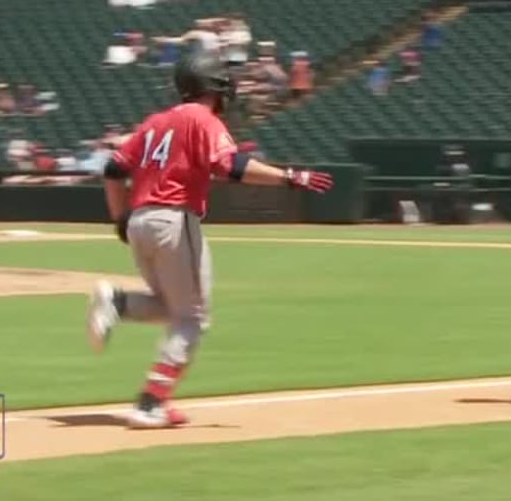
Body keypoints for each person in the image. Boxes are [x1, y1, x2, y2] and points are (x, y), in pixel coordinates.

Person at [85, 52, 336, 429]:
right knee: (193, 318)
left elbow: (113, 169)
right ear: (214, 85)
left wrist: (120, 216)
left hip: (140, 220)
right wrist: (289, 177)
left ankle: (118, 303)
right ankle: (151, 402)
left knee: (173, 308)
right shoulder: (203, 119)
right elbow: (230, 166)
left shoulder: (156, 121)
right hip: (173, 219)